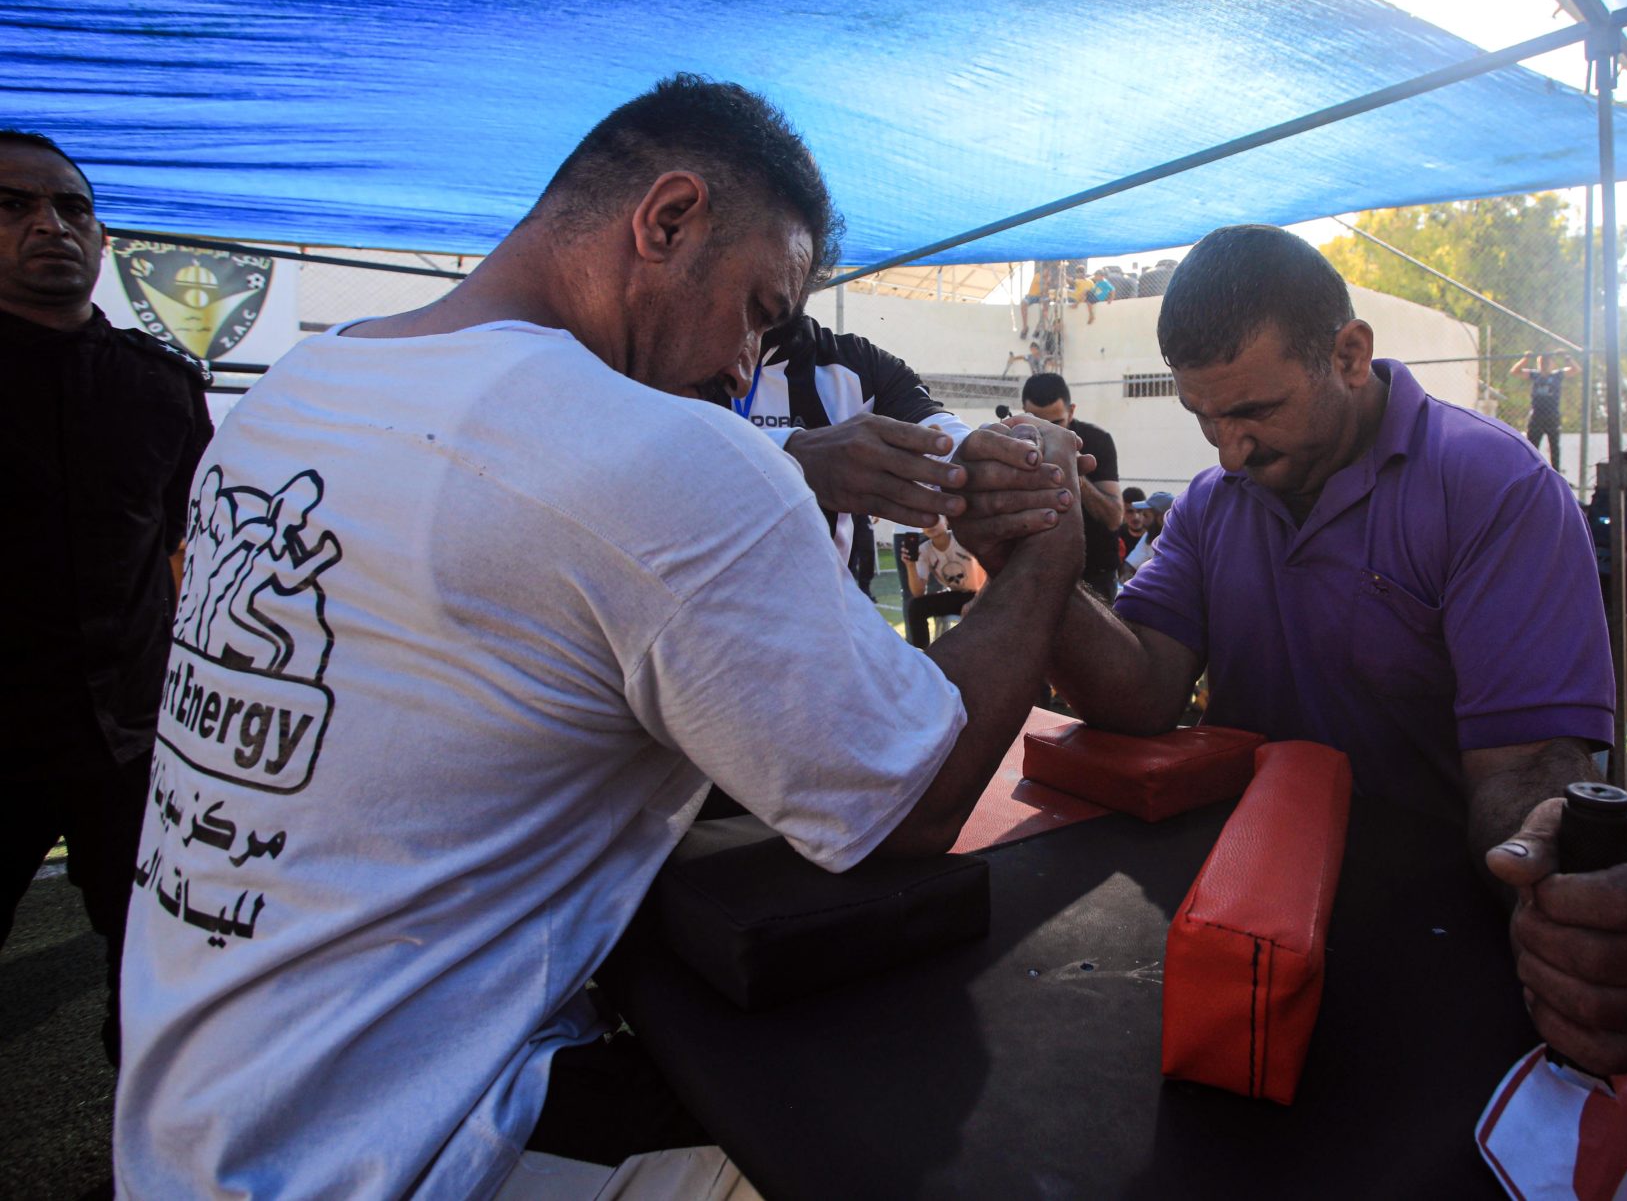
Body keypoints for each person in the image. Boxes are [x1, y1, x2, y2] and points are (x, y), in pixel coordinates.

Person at [113, 75, 1089, 1198]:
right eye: (757, 312)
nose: (744, 368)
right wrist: (1053, 540)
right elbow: (910, 803)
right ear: (665, 218)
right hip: (404, 1155)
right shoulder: (656, 453)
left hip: (183, 1133)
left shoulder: (294, 391)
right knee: (927, 1125)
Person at [963, 225, 1627, 1076]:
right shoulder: (1212, 504)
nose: (1228, 449)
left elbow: (1528, 763)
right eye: (1203, 415)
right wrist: (1035, 547)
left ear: (1350, 355)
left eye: (1254, 410)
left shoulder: (1494, 487)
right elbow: (1141, 690)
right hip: (1244, 899)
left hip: (1437, 916)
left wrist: (1560, 875)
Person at [1, 130, 214, 1069]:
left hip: (128, 743)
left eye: (72, 208)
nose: (49, 225)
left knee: (159, 978)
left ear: (103, 237)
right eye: (11, 206)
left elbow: (189, 551)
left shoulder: (160, 386)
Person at [738, 311, 974, 570]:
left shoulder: (860, 364)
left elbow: (943, 435)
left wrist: (991, 454)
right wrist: (792, 457)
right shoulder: (690, 363)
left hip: (821, 603)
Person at [1020, 371, 1125, 602]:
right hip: (1038, 569)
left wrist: (1076, 474)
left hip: (1094, 573)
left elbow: (1114, 517)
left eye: (1057, 423)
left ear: (1072, 411)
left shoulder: (1097, 441)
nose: (1049, 432)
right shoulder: (1016, 443)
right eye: (1039, 424)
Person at [1510, 351, 1575, 471]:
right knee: (1531, 445)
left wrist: (1567, 357)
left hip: (1552, 415)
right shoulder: (1535, 375)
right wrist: (1525, 359)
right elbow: (1514, 371)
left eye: (1548, 362)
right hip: (1537, 415)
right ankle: (1529, 470)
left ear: (1553, 364)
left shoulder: (1557, 375)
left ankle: (1555, 471)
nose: (1545, 365)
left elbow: (1575, 370)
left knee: (1554, 447)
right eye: (1542, 362)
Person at [906, 514, 985, 599]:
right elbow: (918, 593)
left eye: (935, 520)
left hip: (983, 592)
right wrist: (911, 565)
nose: (930, 525)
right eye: (924, 522)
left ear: (946, 520)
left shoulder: (963, 538)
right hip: (956, 596)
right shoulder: (923, 551)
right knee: (916, 605)